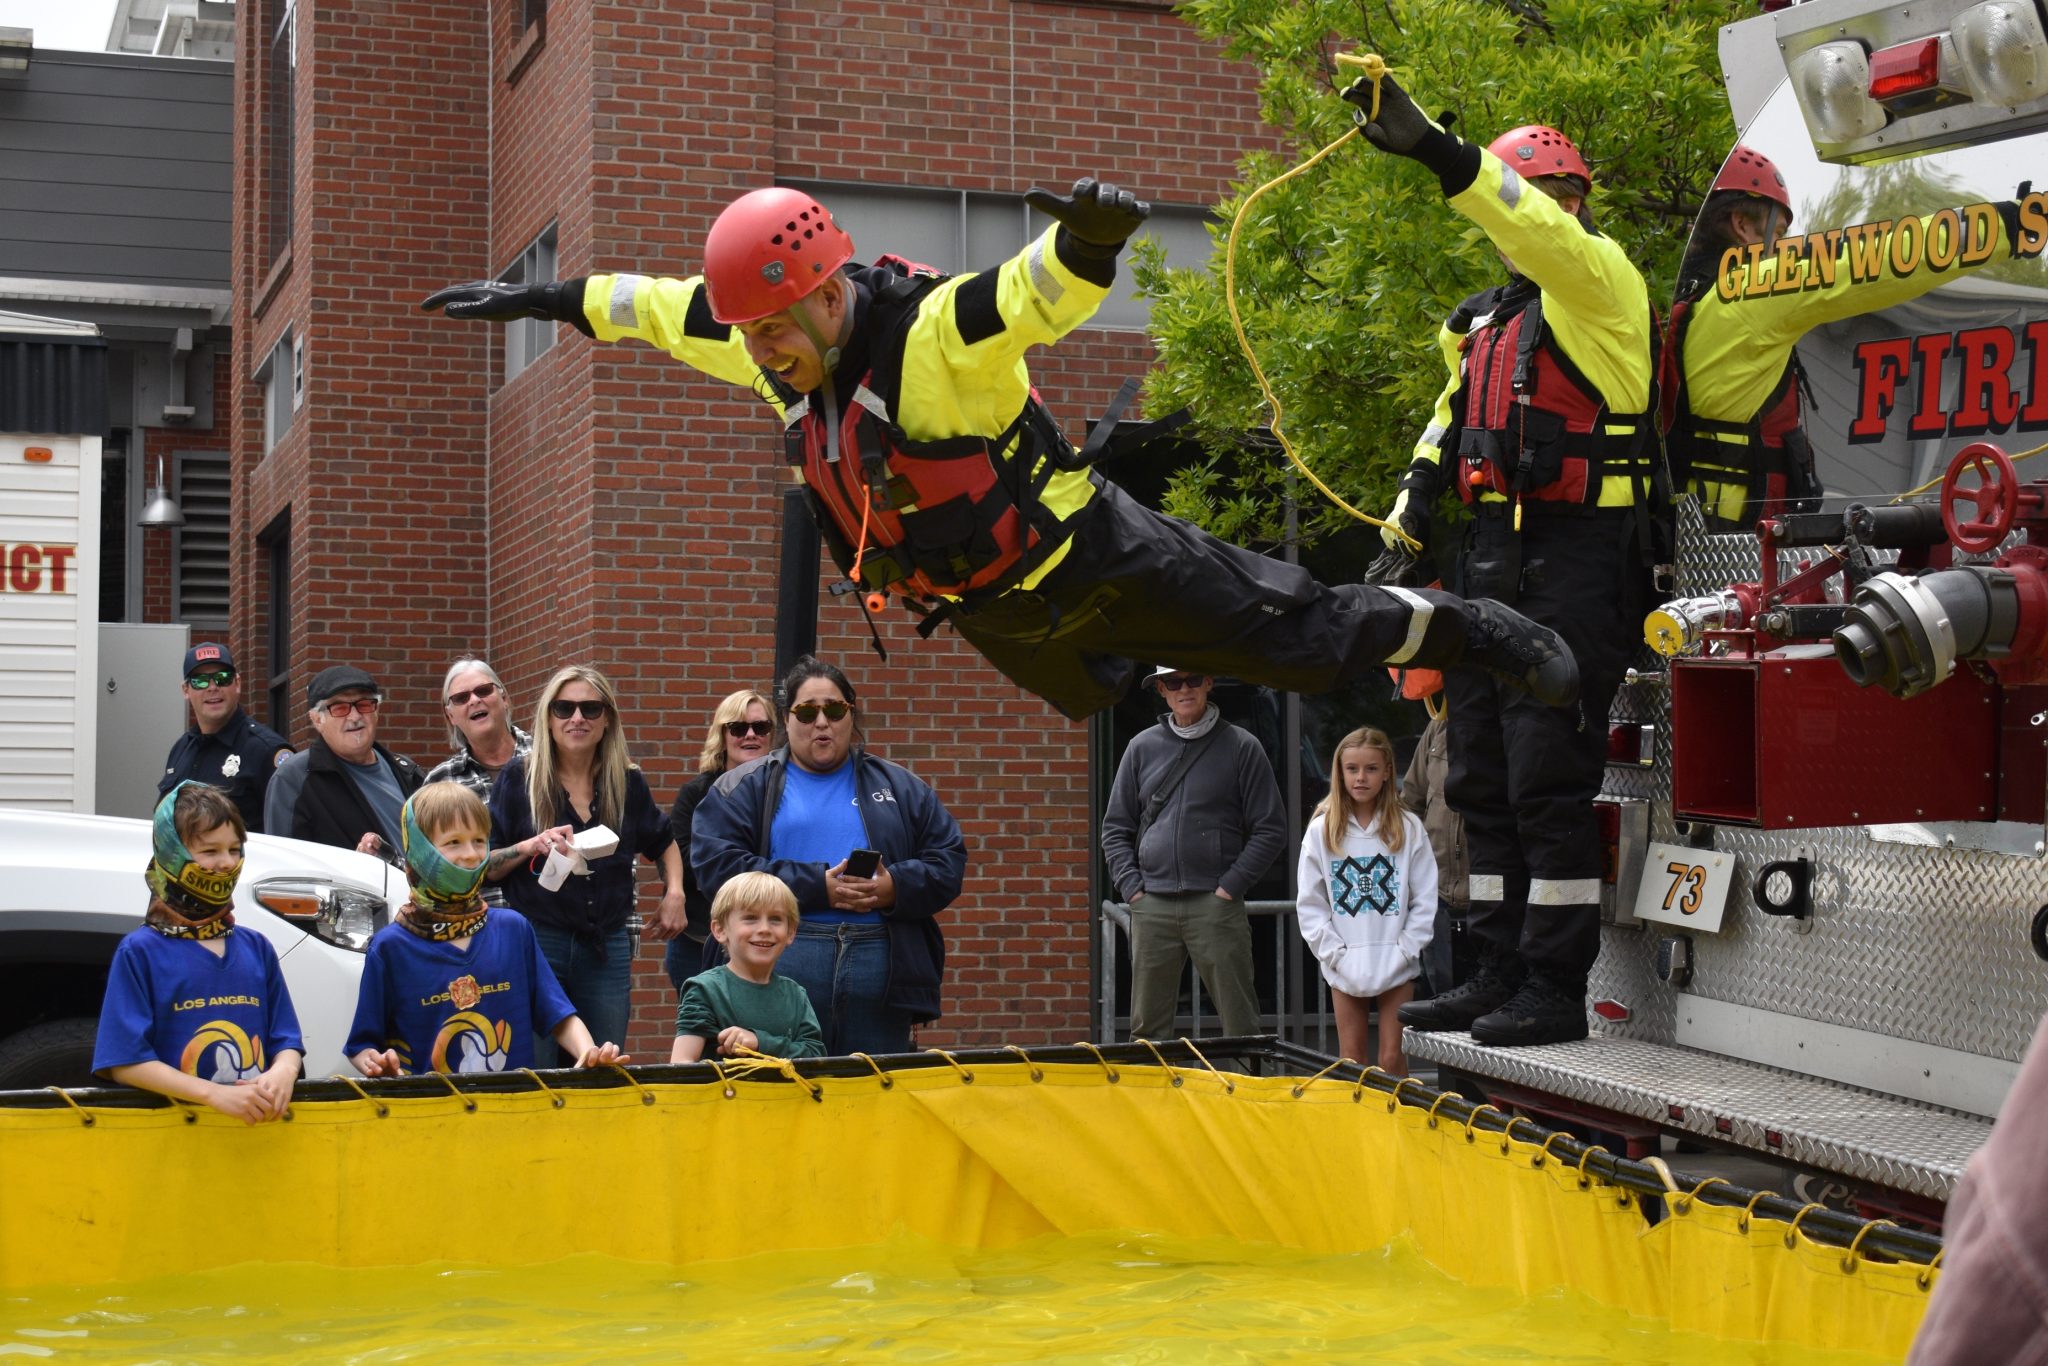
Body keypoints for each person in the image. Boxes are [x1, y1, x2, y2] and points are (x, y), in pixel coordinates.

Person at [421, 181, 1580, 722]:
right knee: (1122, 700)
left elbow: (1026, 299)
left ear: (830, 295)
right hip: (995, 616)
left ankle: (1468, 628)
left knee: (1308, 644)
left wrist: (1083, 243)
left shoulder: (928, 342)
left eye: (777, 325)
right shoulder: (758, 344)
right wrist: (546, 297)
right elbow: (659, 306)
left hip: (1093, 557)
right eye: (752, 334)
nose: (762, 351)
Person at [1346, 74, 1653, 1047]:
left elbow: (1536, 231)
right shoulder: (1483, 325)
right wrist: (1401, 531)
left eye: (1550, 198)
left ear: (1574, 201)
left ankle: (1552, 983)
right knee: (1477, 773)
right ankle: (1490, 965)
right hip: (1489, 556)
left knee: (1543, 777)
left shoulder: (1597, 279)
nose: (1537, 218)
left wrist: (1441, 151)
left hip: (1574, 560)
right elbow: (1444, 430)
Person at [1667, 148, 2037, 530]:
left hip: (1702, 523)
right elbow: (1874, 262)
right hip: (1741, 528)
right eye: (1778, 234)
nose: (1784, 248)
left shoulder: (1697, 295)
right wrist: (2001, 227)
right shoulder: (1748, 291)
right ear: (1742, 224)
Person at [691, 656, 965, 1056]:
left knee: (872, 1091)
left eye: (834, 709)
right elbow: (716, 867)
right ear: (787, 719)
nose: (822, 722)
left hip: (881, 961)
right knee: (779, 1093)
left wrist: (893, 887)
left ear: (851, 715)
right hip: (780, 958)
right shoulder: (743, 787)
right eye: (807, 711)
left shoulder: (903, 787)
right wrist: (817, 887)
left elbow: (949, 860)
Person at [348, 784, 627, 1076]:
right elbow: (362, 1045)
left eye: (479, 840)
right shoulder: (390, 947)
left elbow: (558, 1015)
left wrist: (588, 1052)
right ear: (419, 850)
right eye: (453, 842)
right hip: (429, 1115)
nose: (470, 854)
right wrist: (378, 1065)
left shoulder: (513, 929)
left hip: (512, 1112)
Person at [485, 665, 681, 1059]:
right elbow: (485, 865)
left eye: (591, 709)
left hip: (604, 948)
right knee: (536, 1071)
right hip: (538, 943)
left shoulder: (626, 782)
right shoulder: (518, 779)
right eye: (564, 708)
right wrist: (530, 846)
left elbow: (663, 840)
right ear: (549, 719)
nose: (577, 718)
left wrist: (674, 892)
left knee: (603, 1068)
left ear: (607, 719)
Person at [92, 782, 303, 1123]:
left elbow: (287, 1041)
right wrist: (214, 1094)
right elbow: (124, 1062)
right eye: (209, 852)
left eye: (234, 850)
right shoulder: (140, 952)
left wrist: (284, 1072)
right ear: (172, 855)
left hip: (257, 1140)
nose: (225, 863)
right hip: (175, 1143)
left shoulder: (257, 947)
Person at [1100, 666, 1287, 1041]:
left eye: (1193, 679)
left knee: (1240, 1023)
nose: (1184, 688)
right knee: (1147, 1030)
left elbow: (1271, 828)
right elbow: (1114, 828)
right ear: (1161, 691)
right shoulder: (1141, 747)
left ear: (1209, 682)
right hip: (1152, 903)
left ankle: (1242, 1097)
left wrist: (1229, 887)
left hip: (1215, 904)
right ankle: (1154, 1098)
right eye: (1173, 682)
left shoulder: (1242, 745)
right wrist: (1133, 889)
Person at [1296, 727, 1437, 1075]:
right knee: (1352, 1061)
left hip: (1397, 964)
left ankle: (1397, 1129)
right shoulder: (1322, 830)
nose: (1361, 778)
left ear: (1388, 770)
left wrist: (1406, 949)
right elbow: (1310, 904)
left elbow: (1425, 897)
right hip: (1344, 964)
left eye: (1371, 768)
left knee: (1392, 1060)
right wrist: (1335, 955)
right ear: (1339, 772)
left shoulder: (1408, 827)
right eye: (1352, 769)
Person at [664, 688, 776, 991]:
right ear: (722, 736)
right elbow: (680, 858)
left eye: (761, 727)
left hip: (769, 942)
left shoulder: (788, 795)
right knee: (702, 1034)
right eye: (739, 728)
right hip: (700, 940)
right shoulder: (697, 793)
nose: (750, 735)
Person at [264, 665, 425, 856]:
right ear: (317, 719)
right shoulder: (294, 779)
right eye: (340, 708)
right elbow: (287, 864)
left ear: (376, 711)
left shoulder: (407, 771)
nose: (355, 716)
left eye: (364, 705)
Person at [670, 871, 824, 1063]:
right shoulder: (705, 990)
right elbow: (682, 1063)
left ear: (791, 932)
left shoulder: (796, 994)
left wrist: (760, 1042)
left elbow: (815, 1057)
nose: (764, 929)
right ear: (720, 930)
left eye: (776, 919)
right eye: (750, 918)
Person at [423, 657, 532, 906]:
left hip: (553, 932)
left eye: (483, 690)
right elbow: (429, 868)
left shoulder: (550, 761)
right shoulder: (440, 782)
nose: (474, 700)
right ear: (450, 715)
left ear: (504, 698)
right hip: (475, 932)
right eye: (461, 698)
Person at [158, 642, 292, 835]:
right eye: (200, 681)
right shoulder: (181, 749)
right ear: (186, 690)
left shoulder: (266, 750)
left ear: (237, 683)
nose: (212, 687)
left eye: (222, 678)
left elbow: (288, 832)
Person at [1400, 700, 1467, 997]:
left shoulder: (1506, 724)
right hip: (1435, 899)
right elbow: (1410, 804)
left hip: (1490, 899)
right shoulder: (1439, 726)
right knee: (1435, 1000)